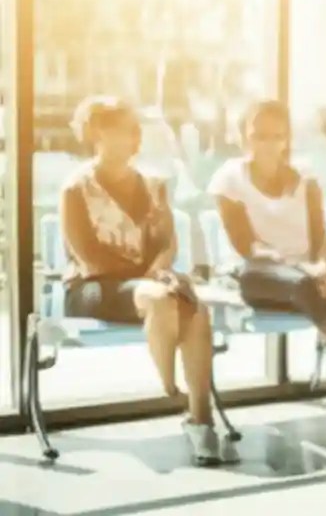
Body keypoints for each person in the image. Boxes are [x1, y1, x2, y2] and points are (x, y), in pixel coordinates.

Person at [208, 100, 326, 443]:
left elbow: (320, 233)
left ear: (286, 139)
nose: (267, 144)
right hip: (262, 273)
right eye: (258, 135)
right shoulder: (229, 178)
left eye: (276, 136)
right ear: (243, 137)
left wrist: (321, 265)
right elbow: (247, 245)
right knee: (298, 282)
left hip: (312, 271)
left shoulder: (305, 175)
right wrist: (304, 268)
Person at [59, 97, 219, 464]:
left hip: (145, 286)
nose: (131, 138)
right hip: (90, 288)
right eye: (120, 130)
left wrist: (158, 268)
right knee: (162, 298)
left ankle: (202, 422)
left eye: (134, 131)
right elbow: (89, 259)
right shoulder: (75, 188)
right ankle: (169, 388)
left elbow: (167, 243)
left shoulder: (153, 185)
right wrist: (147, 278)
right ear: (97, 133)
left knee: (197, 312)